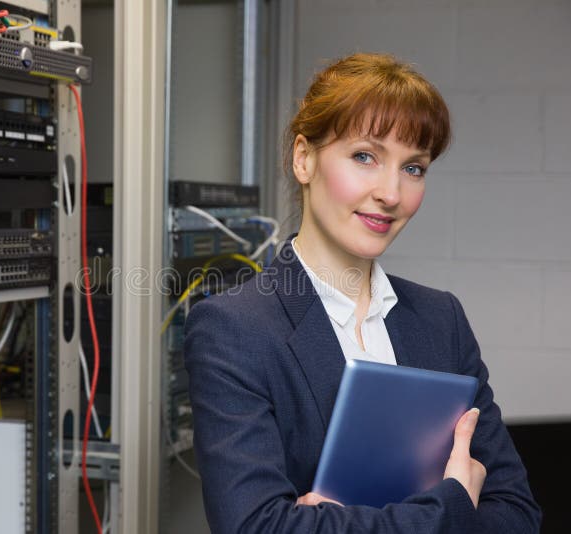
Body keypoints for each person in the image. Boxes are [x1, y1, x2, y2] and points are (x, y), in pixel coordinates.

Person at [184, 53, 541, 533]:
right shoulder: (234, 328)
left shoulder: (441, 319)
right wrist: (451, 503)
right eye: (365, 157)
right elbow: (256, 527)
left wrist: (332, 521)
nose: (391, 193)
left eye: (414, 168)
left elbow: (517, 514)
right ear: (304, 158)